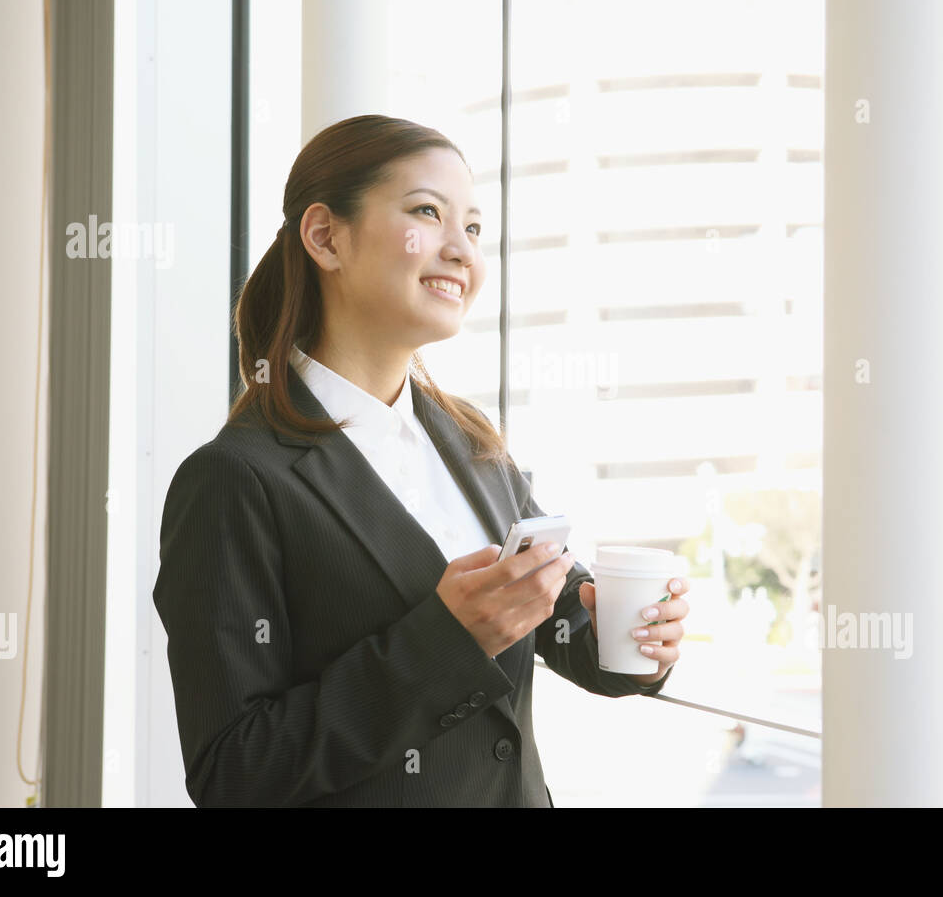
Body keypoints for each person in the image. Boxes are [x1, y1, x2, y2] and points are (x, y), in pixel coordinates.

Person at [152, 114, 690, 807]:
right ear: (325, 237)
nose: (461, 250)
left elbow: (562, 625)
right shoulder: (236, 480)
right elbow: (234, 771)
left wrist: (635, 638)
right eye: (427, 214)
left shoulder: (471, 441)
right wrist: (443, 643)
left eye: (472, 228)